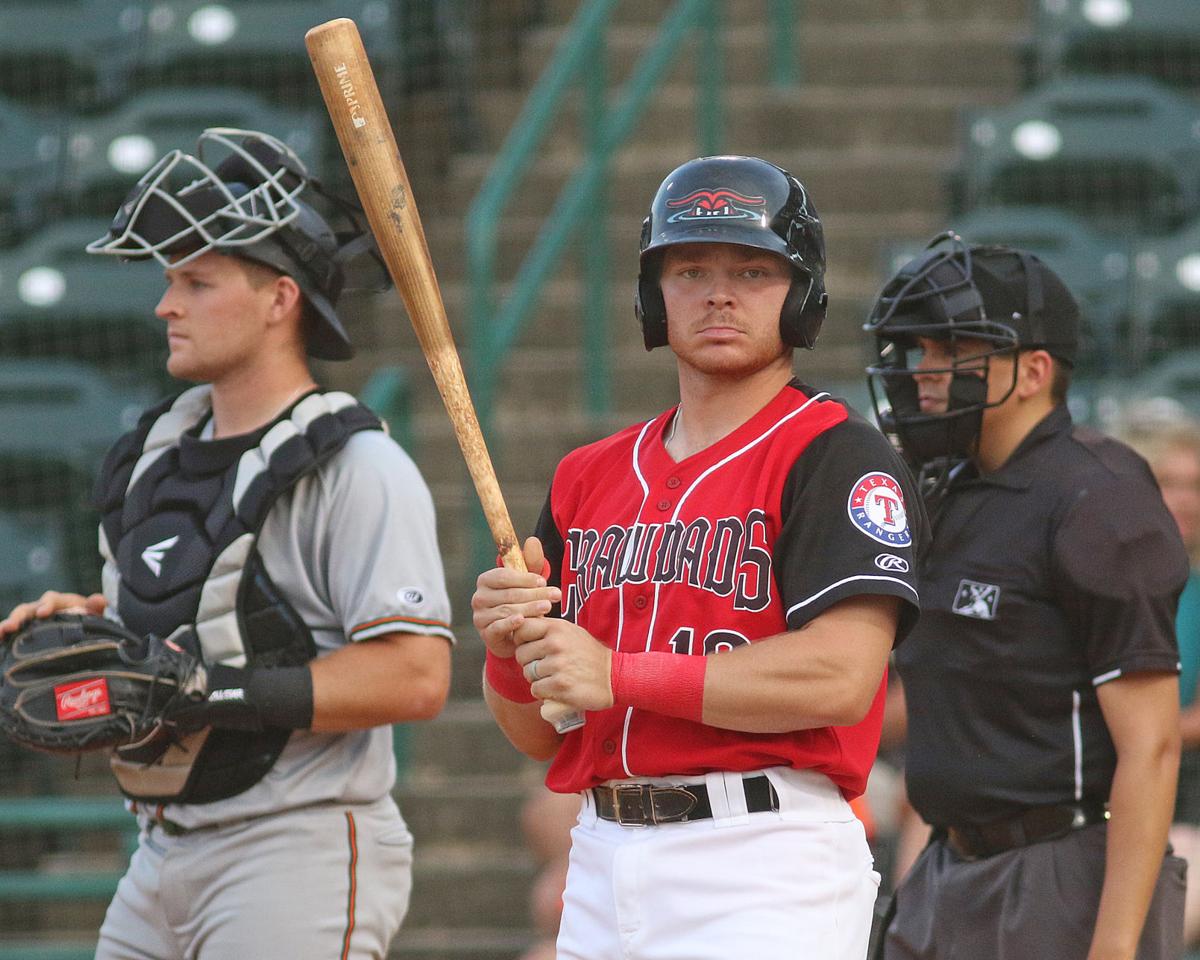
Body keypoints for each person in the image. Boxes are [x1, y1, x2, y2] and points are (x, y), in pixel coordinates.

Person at [0, 128, 454, 959]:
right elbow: (180, 638)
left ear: (280, 298)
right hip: (160, 849)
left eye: (197, 282)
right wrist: (93, 628)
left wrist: (206, 691)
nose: (165, 305)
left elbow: (416, 674)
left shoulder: (356, 464)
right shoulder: (149, 458)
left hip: (296, 847)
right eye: (171, 281)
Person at [471, 155, 928, 960]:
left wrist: (617, 673)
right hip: (602, 851)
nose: (720, 292)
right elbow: (541, 733)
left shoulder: (836, 454)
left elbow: (840, 677)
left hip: (762, 855)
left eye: (753, 269)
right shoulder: (589, 474)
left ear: (800, 293)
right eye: (690, 269)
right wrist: (512, 653)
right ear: (655, 295)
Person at [863, 233, 1189, 960]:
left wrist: (1115, 944)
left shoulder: (1097, 496)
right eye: (921, 352)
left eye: (955, 350)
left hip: (1065, 870)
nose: (927, 373)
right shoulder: (942, 488)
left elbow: (1153, 748)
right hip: (947, 866)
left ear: (1035, 370)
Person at [1119, 405, 1200, 948]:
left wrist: (1134, 733)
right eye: (1168, 482)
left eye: (1196, 484)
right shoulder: (1105, 582)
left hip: (1184, 799)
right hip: (1094, 795)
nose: (1187, 499)